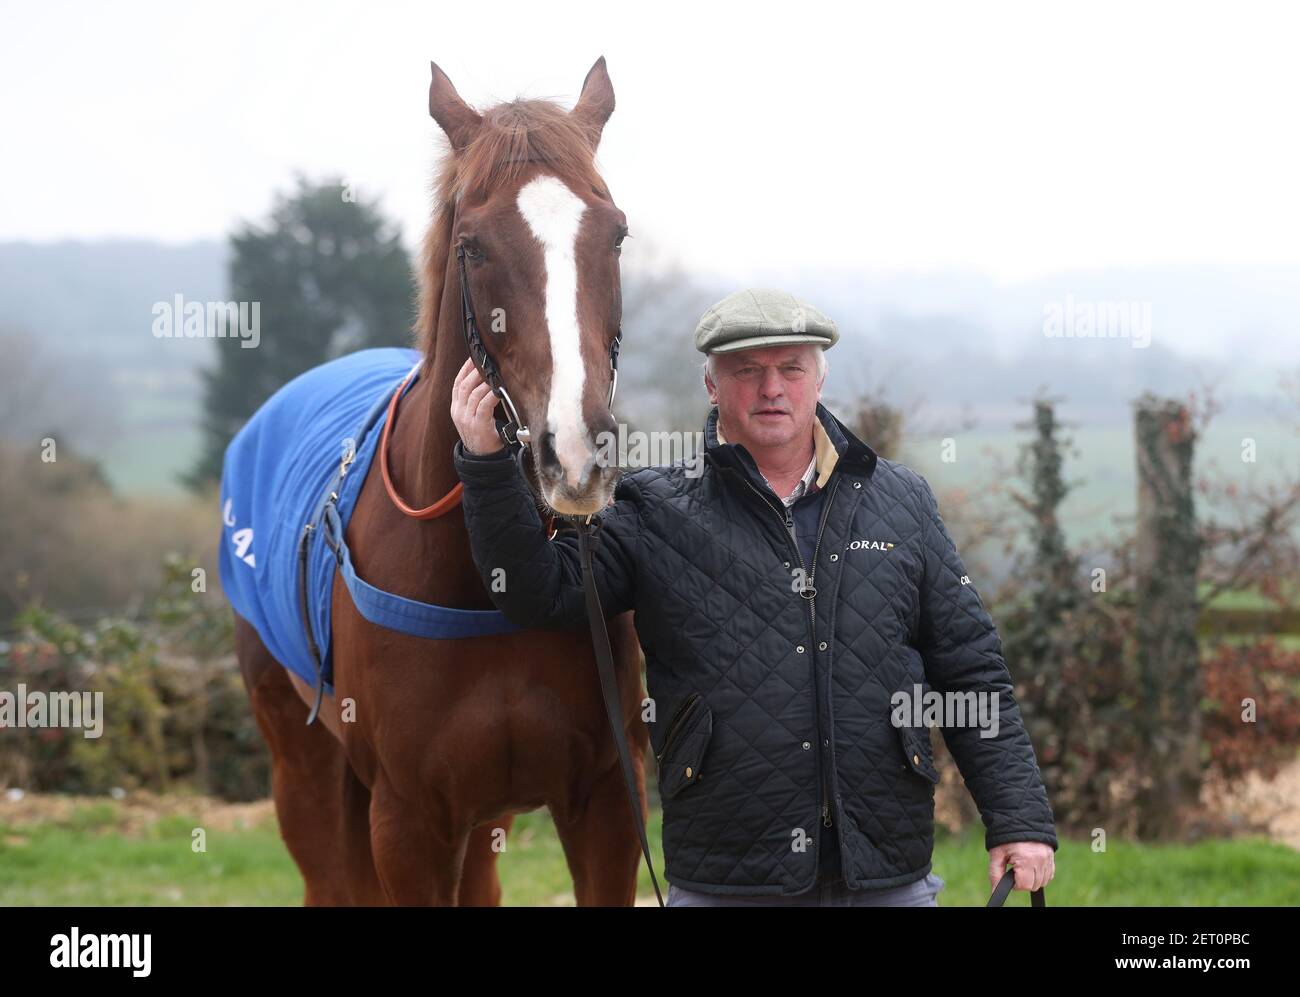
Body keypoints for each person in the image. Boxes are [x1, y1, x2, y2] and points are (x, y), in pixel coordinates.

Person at [450, 288, 1057, 906]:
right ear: (713, 386)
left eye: (791, 369)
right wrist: (488, 465)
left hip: (886, 871)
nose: (773, 389)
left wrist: (1020, 822)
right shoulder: (654, 507)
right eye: (748, 371)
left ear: (818, 380)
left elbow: (970, 667)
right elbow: (538, 594)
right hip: (727, 876)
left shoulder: (902, 501)